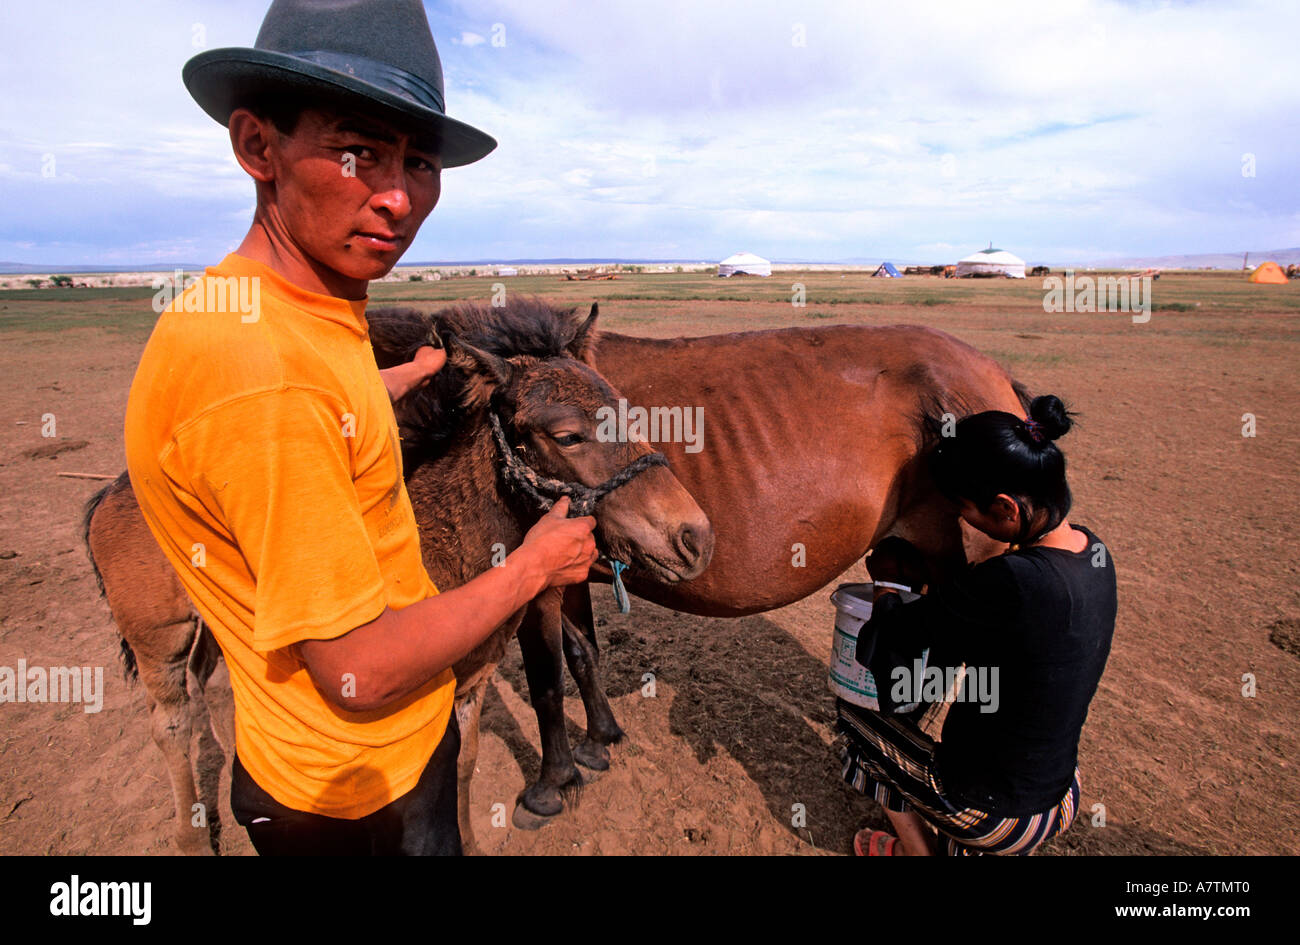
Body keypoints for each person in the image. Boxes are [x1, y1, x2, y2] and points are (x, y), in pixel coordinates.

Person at [124, 0, 598, 856]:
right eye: (359, 151)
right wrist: (531, 567)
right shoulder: (258, 376)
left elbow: (313, 404)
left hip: (353, 753)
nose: (396, 196)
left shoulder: (275, 305)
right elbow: (357, 668)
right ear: (257, 146)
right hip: (353, 792)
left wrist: (406, 376)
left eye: (418, 160)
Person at [836, 394, 1116, 856]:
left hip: (1001, 814)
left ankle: (919, 852)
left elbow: (897, 636)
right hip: (1060, 795)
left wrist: (886, 581)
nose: (963, 521)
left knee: (857, 721)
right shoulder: (1092, 551)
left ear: (1006, 509)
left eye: (964, 509)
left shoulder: (1015, 579)